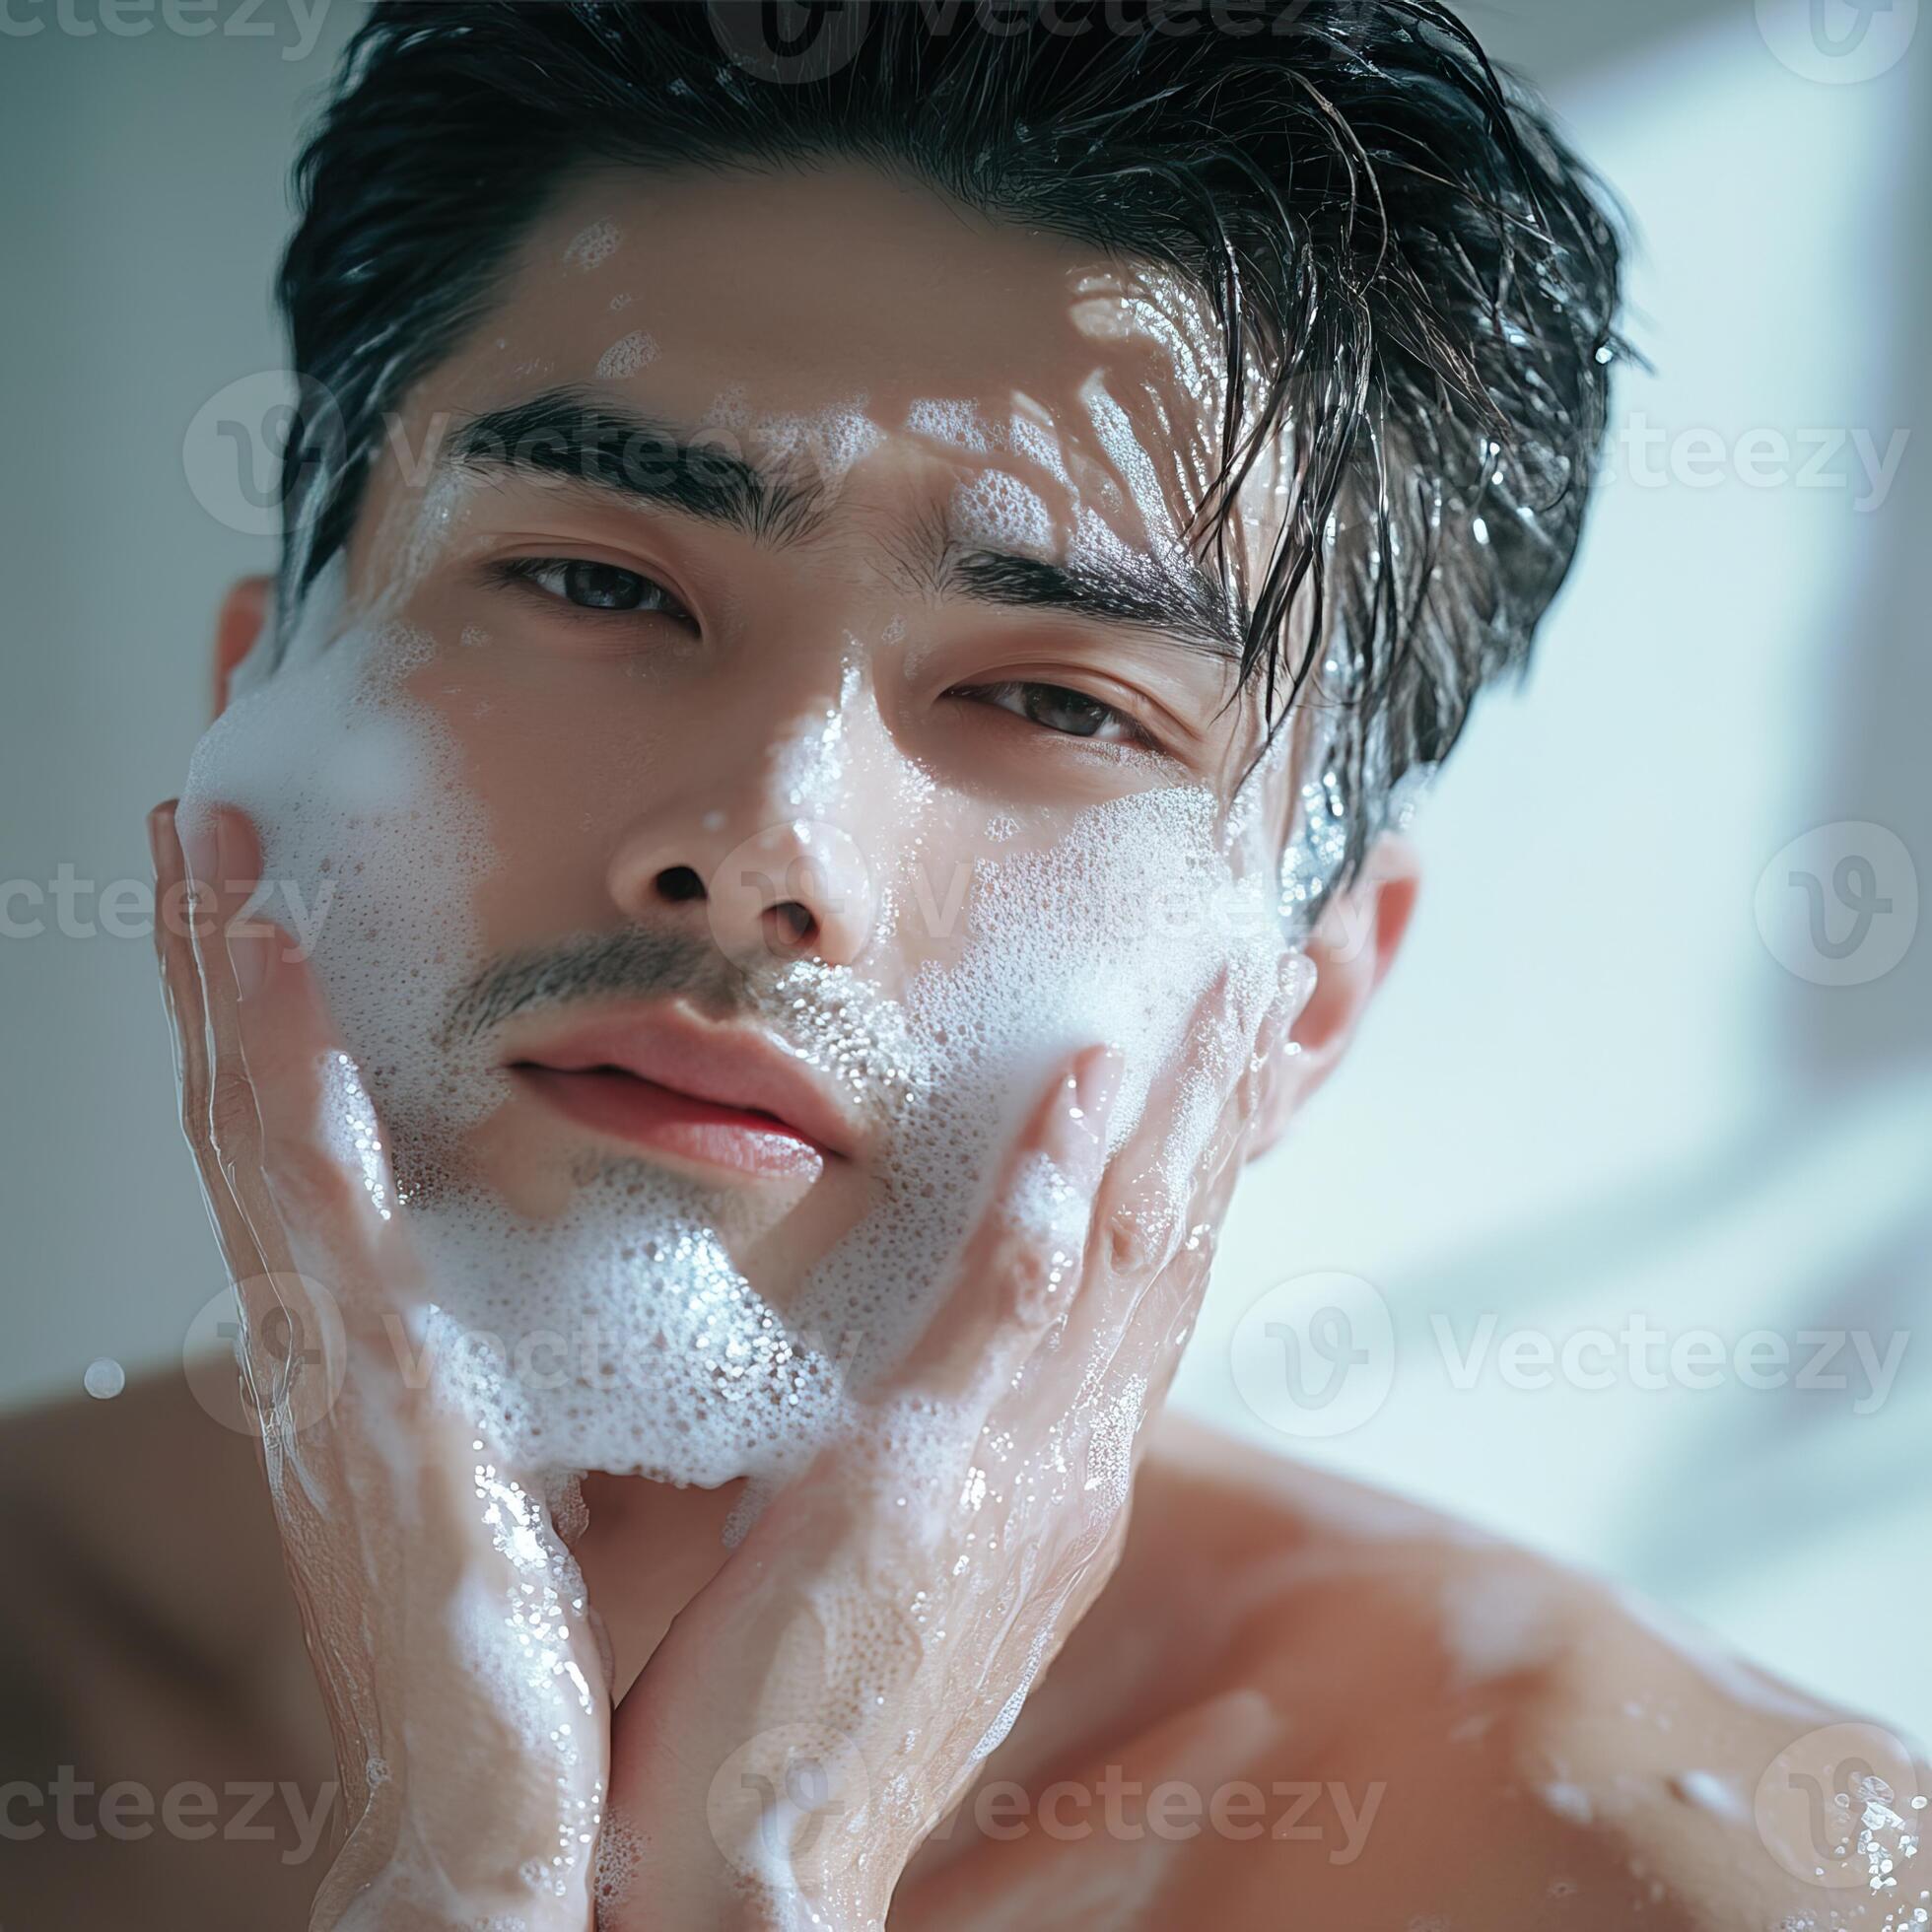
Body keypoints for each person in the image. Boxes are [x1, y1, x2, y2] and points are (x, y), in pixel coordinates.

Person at [3, 4, 1921, 1927]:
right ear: (247, 698)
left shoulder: (1672, 1869)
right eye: (597, 581)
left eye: (1050, 699)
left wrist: (761, 1882)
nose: (760, 841)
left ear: (1302, 1006)